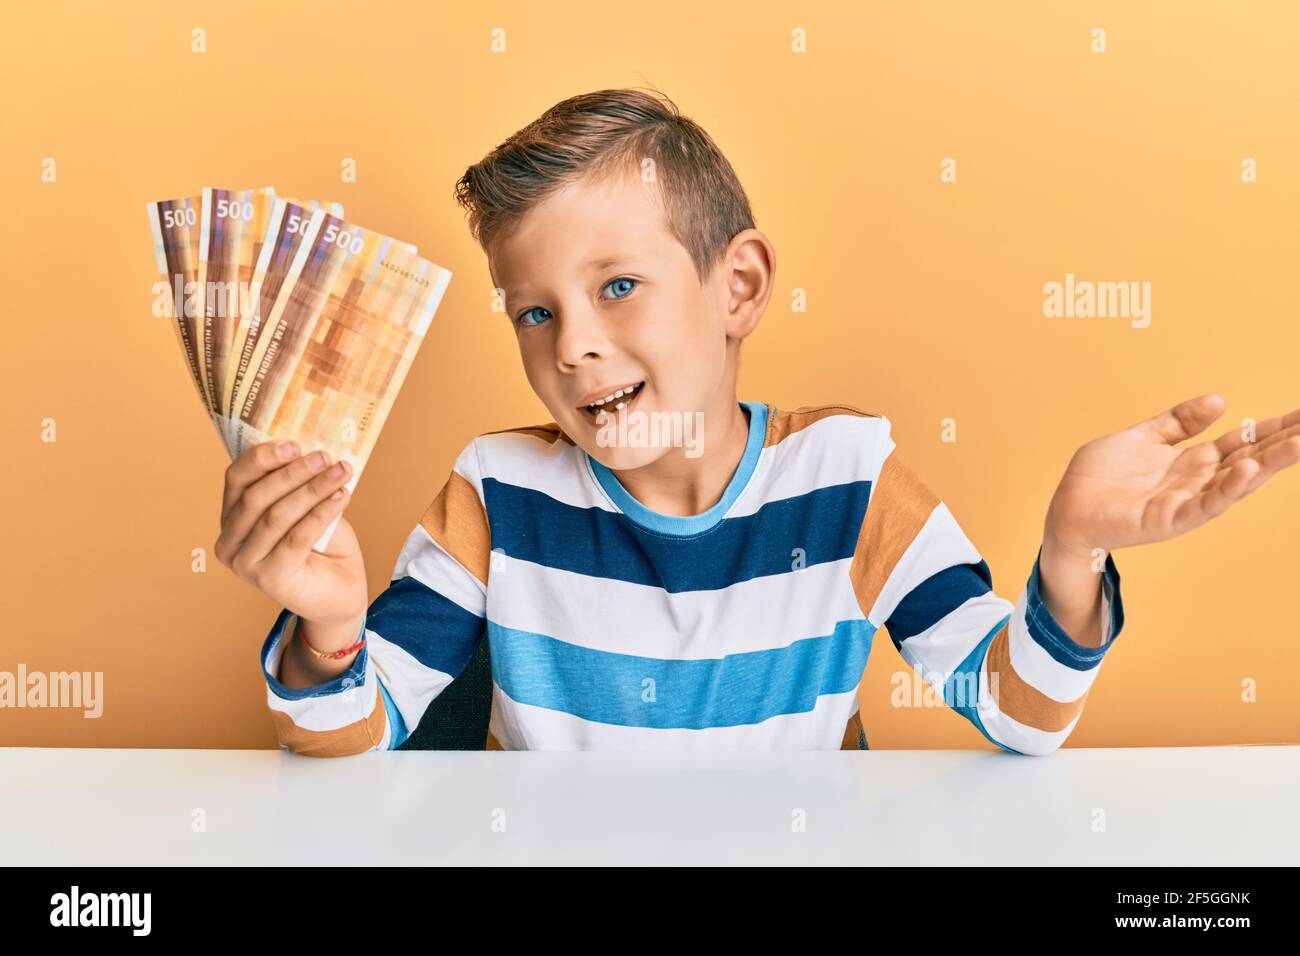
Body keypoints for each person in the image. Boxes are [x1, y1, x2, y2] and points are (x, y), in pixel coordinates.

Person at [213, 88, 1300, 755]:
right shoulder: (496, 493)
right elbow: (342, 739)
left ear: (737, 287)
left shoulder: (849, 479)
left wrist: (1069, 554)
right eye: (533, 311)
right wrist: (329, 626)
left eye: (618, 287)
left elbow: (1018, 714)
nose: (572, 343)